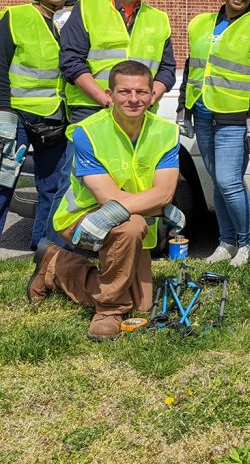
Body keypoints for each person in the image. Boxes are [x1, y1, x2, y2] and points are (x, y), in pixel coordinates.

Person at [28, 60, 182, 341]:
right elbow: (106, 197)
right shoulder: (88, 132)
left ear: (152, 95)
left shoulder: (166, 132)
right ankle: (109, 310)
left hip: (135, 217)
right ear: (109, 95)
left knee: (142, 306)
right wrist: (156, 206)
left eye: (141, 92)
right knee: (131, 226)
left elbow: (165, 193)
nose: (133, 99)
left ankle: (56, 264)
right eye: (124, 92)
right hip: (82, 215)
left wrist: (160, 202)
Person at [177, 0, 250, 267]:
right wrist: (184, 109)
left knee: (229, 180)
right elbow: (192, 68)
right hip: (204, 115)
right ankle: (227, 241)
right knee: (218, 183)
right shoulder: (201, 24)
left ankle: (248, 245)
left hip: (234, 119)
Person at [0, 0, 85, 251]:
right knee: (3, 183)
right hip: (18, 117)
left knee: (51, 187)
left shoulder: (73, 22)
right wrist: (4, 113)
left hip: (56, 118)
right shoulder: (15, 16)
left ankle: (43, 249)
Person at [59, 0, 175, 122]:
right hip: (92, 111)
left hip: (141, 116)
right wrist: (107, 100)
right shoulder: (87, 7)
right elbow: (72, 61)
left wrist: (149, 100)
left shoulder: (159, 18)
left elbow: (167, 70)